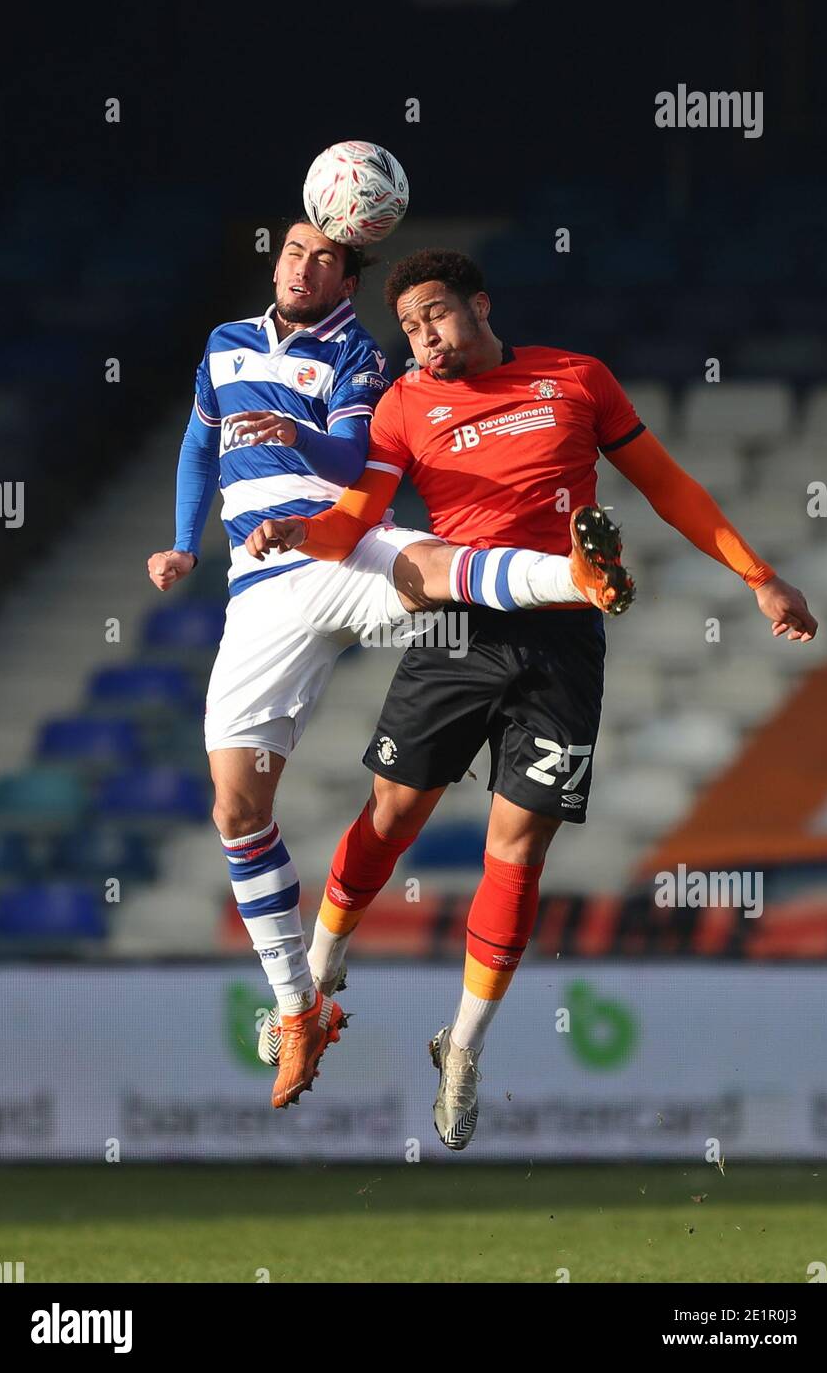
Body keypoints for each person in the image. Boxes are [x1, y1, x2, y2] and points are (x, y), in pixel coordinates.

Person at [238, 247, 817, 1148]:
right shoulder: (401, 407)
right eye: (411, 327)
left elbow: (667, 487)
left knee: (520, 845)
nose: (425, 337)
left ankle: (461, 1047)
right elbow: (359, 521)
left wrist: (758, 576)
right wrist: (299, 528)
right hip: (453, 627)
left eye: (437, 314)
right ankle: (314, 981)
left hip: (561, 644)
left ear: (480, 305)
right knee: (392, 817)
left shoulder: (576, 379)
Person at [147, 223, 628, 1111]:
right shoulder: (224, 346)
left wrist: (290, 430)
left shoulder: (365, 358)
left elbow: (347, 459)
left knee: (436, 564)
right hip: (258, 588)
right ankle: (299, 1006)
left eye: (326, 257)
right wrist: (182, 544)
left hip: (339, 552)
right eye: (295, 249)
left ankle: (581, 576)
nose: (305, 264)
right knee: (234, 806)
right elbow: (196, 445)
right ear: (276, 257)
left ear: (347, 275)